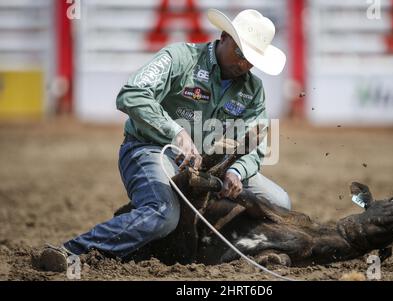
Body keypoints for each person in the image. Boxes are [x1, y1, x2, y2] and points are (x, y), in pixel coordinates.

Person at [37, 8, 291, 272]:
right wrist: (175, 132)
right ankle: (70, 251)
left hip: (213, 166)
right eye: (240, 53)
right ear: (224, 37)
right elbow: (132, 94)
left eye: (252, 60)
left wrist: (238, 171)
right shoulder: (181, 58)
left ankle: (206, 234)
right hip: (152, 149)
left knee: (279, 205)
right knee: (163, 214)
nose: (244, 64)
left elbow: (256, 145)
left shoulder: (253, 90)